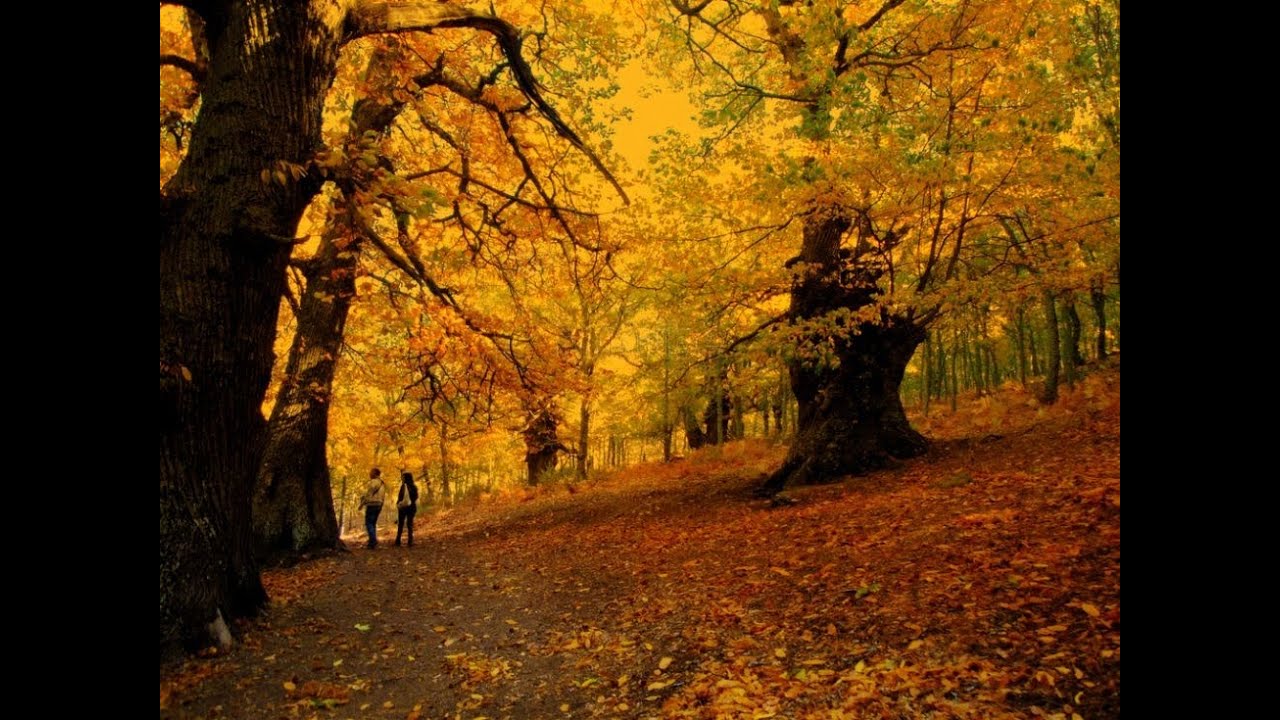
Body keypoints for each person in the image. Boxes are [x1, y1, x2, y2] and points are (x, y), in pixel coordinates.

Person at [357, 468, 385, 549]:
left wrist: (362, 504)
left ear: (375, 473)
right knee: (373, 524)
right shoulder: (382, 483)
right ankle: (372, 541)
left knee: (369, 523)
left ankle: (373, 542)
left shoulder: (373, 482)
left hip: (372, 504)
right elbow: (383, 496)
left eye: (371, 472)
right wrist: (381, 504)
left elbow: (369, 494)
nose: (369, 473)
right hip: (379, 504)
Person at [395, 471, 419, 547]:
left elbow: (400, 497)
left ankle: (398, 541)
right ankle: (410, 541)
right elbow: (416, 497)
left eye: (403, 477)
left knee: (401, 524)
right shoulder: (414, 486)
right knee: (410, 524)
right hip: (412, 507)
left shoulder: (403, 486)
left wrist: (398, 504)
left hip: (403, 508)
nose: (402, 478)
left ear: (405, 478)